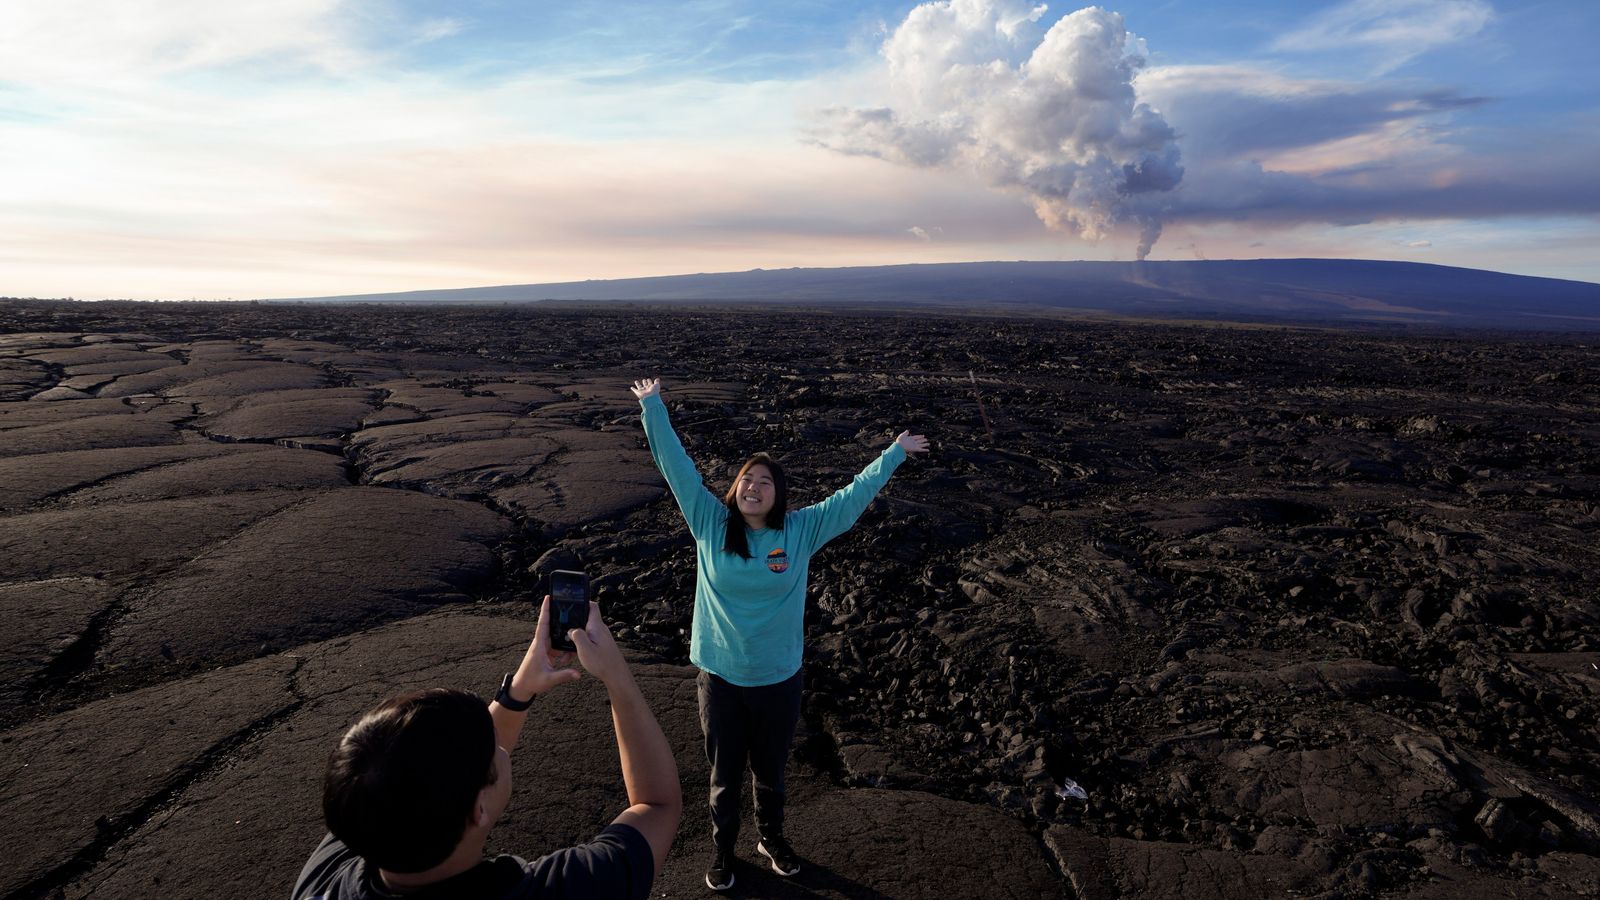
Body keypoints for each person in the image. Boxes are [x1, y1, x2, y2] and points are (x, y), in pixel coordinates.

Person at [630, 376, 928, 891]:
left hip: (777, 678)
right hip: (721, 677)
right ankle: (724, 850)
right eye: (747, 479)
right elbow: (677, 469)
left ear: (778, 494)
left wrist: (894, 454)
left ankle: (772, 838)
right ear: (735, 488)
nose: (753, 486)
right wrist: (653, 407)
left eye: (764, 481)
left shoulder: (800, 530)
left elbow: (850, 499)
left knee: (770, 773)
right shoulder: (709, 522)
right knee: (724, 779)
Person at [291, 596, 681, 899]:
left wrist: (519, 691)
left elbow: (429, 769)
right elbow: (658, 804)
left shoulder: (330, 871)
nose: (500, 744)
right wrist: (617, 677)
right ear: (478, 808)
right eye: (492, 750)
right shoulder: (565, 889)